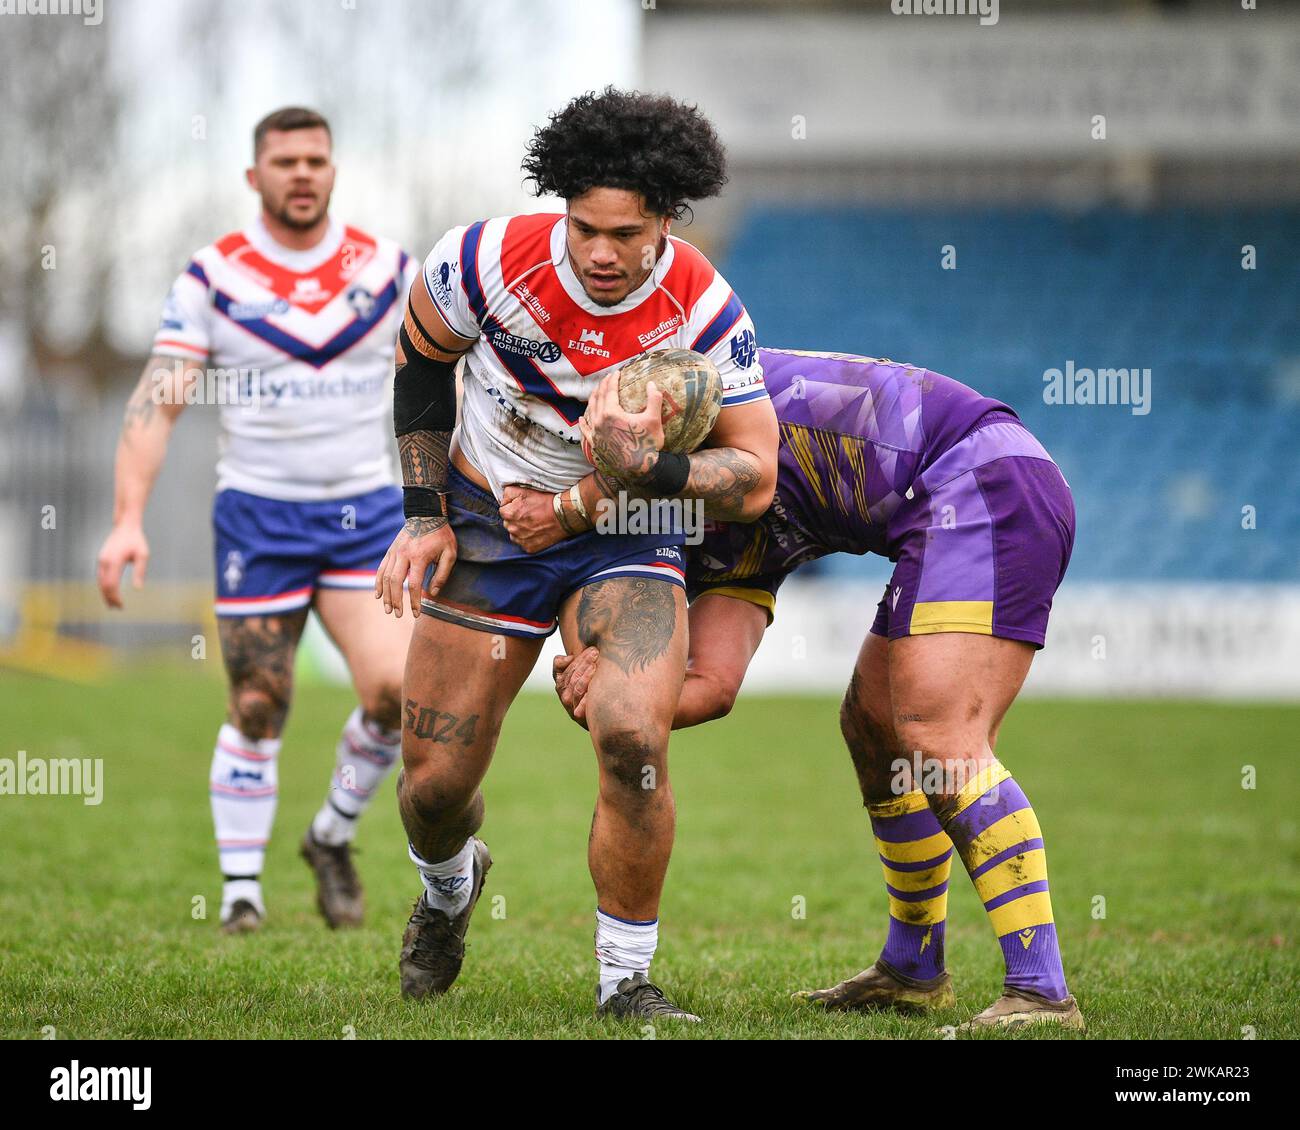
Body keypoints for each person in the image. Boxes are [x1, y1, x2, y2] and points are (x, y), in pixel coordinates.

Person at [374, 88, 777, 1021]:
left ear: (666, 221)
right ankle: (449, 891)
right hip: (485, 516)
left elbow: (755, 476)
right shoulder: (480, 261)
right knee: (433, 788)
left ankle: (625, 980)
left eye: (626, 233)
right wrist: (422, 515)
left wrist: (644, 469)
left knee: (635, 737)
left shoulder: (706, 309)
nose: (601, 252)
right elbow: (421, 363)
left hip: (626, 533)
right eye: (585, 226)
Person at [544, 347, 1084, 1031]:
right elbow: (710, 684)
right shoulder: (705, 514)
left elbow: (718, 435)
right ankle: (913, 968)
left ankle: (1040, 990)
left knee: (939, 737)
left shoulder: (729, 422)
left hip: (983, 478)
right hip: (951, 499)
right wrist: (616, 697)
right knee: (875, 725)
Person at [96, 107, 417, 934]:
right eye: (285, 161)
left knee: (396, 695)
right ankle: (241, 893)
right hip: (259, 520)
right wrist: (128, 518)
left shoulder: (387, 271)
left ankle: (329, 836)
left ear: (335, 170)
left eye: (316, 158)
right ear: (254, 176)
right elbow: (157, 400)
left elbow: (446, 380)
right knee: (258, 701)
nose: (302, 173)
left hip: (366, 516)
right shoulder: (213, 276)